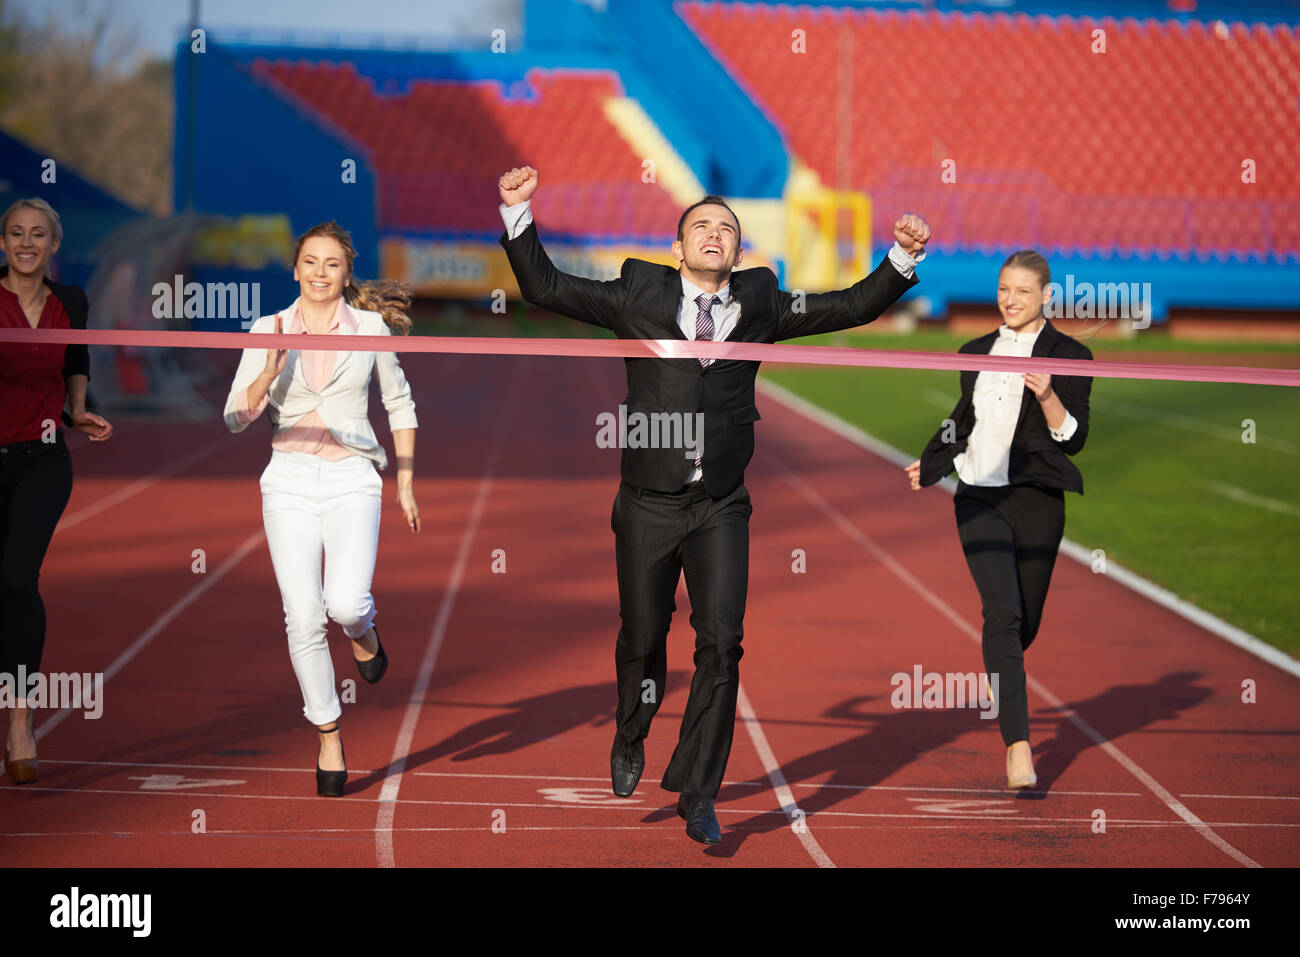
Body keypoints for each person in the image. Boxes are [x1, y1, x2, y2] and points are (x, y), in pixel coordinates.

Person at [498, 165, 929, 844]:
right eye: (701, 225)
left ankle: (699, 790)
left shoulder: (759, 304)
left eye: (726, 229)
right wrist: (518, 213)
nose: (714, 234)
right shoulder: (637, 291)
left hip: (721, 503)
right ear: (678, 248)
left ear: (736, 250)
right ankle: (633, 727)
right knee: (642, 637)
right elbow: (545, 286)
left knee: (722, 644)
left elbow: (849, 306)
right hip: (646, 502)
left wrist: (900, 258)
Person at [223, 221, 420, 797]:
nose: (319, 273)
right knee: (304, 615)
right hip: (286, 479)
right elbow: (235, 418)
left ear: (346, 272)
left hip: (353, 476)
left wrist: (404, 482)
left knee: (346, 602)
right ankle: (328, 730)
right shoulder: (268, 327)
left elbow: (400, 403)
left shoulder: (372, 327)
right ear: (295, 269)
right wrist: (265, 372)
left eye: (331, 263)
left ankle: (365, 630)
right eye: (310, 262)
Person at [905, 249, 1092, 789]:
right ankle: (1018, 747)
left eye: (1023, 292)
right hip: (978, 498)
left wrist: (1050, 394)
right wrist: (935, 460)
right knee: (1003, 613)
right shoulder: (974, 351)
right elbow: (963, 419)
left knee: (1021, 623)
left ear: (1046, 297)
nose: (1010, 300)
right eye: (1004, 289)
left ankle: (1000, 666)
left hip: (1037, 499)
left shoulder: (1072, 354)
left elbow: (1074, 439)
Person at [0, 198, 113, 785]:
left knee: (18, 582)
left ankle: (20, 721)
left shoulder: (71, 302)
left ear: (53, 246)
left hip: (41, 459)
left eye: (37, 234)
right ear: (2, 242)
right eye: (15, 233)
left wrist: (77, 411)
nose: (26, 243)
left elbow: (77, 356)